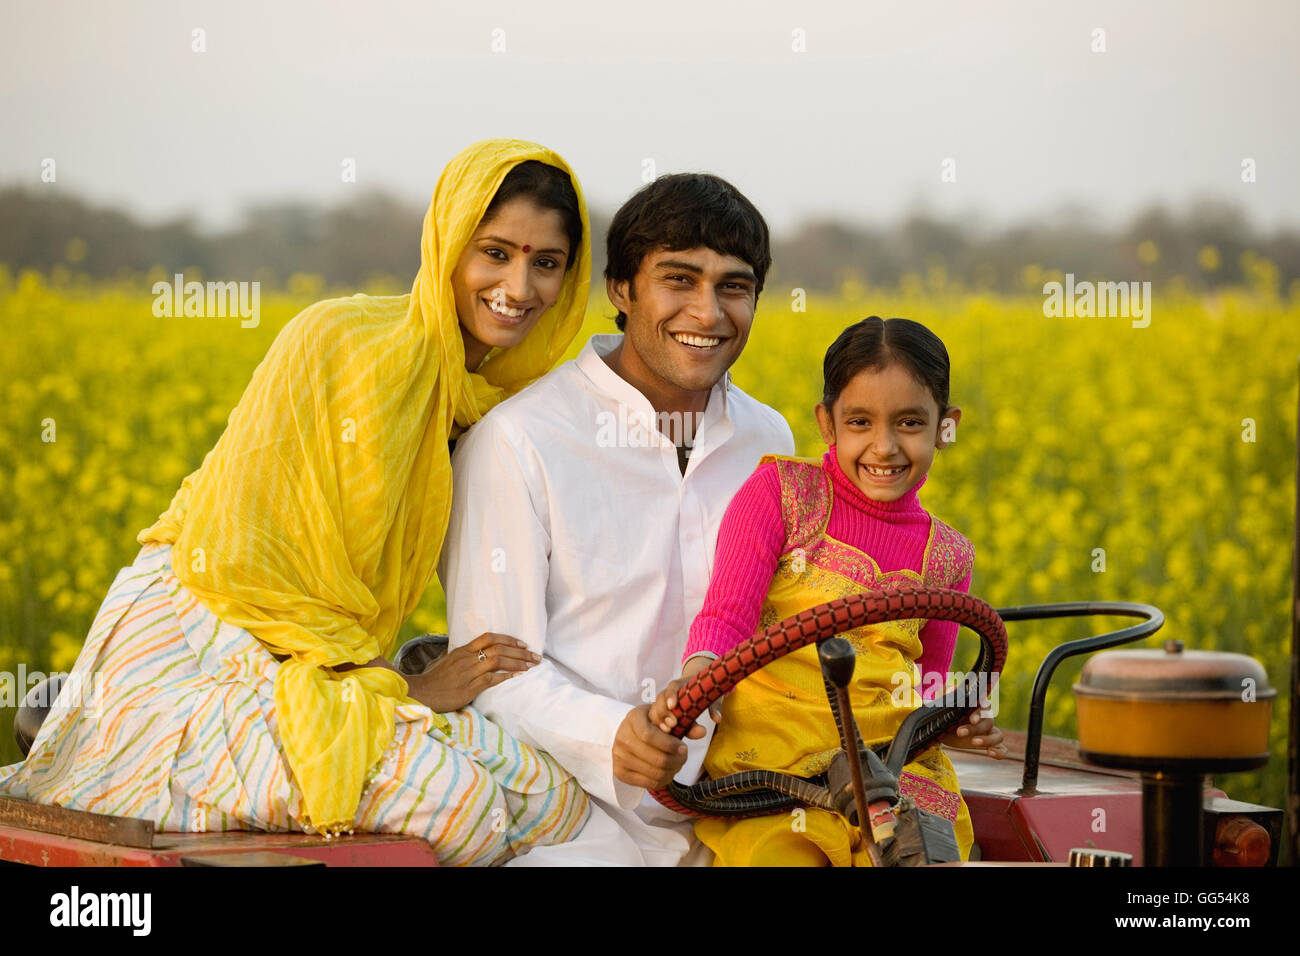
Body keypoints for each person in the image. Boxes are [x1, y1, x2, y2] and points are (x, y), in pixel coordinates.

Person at [0, 139, 595, 866]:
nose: (519, 284)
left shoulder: (493, 408)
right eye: (494, 253)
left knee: (554, 797)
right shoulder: (337, 339)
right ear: (446, 246)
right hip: (198, 648)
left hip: (330, 674)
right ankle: (113, 750)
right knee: (460, 803)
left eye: (546, 263)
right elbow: (242, 568)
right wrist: (400, 689)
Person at [438, 172, 795, 865]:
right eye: (679, 279)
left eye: (733, 286)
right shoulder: (518, 440)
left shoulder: (770, 441)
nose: (709, 312)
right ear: (621, 290)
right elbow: (492, 671)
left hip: (745, 806)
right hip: (564, 816)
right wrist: (613, 734)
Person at [650, 316, 1007, 866]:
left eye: (910, 422)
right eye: (860, 421)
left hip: (893, 767)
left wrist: (954, 724)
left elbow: (928, 683)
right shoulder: (781, 494)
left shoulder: (949, 555)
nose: (884, 446)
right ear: (827, 422)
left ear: (946, 426)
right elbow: (727, 615)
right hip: (777, 770)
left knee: (918, 856)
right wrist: (704, 676)